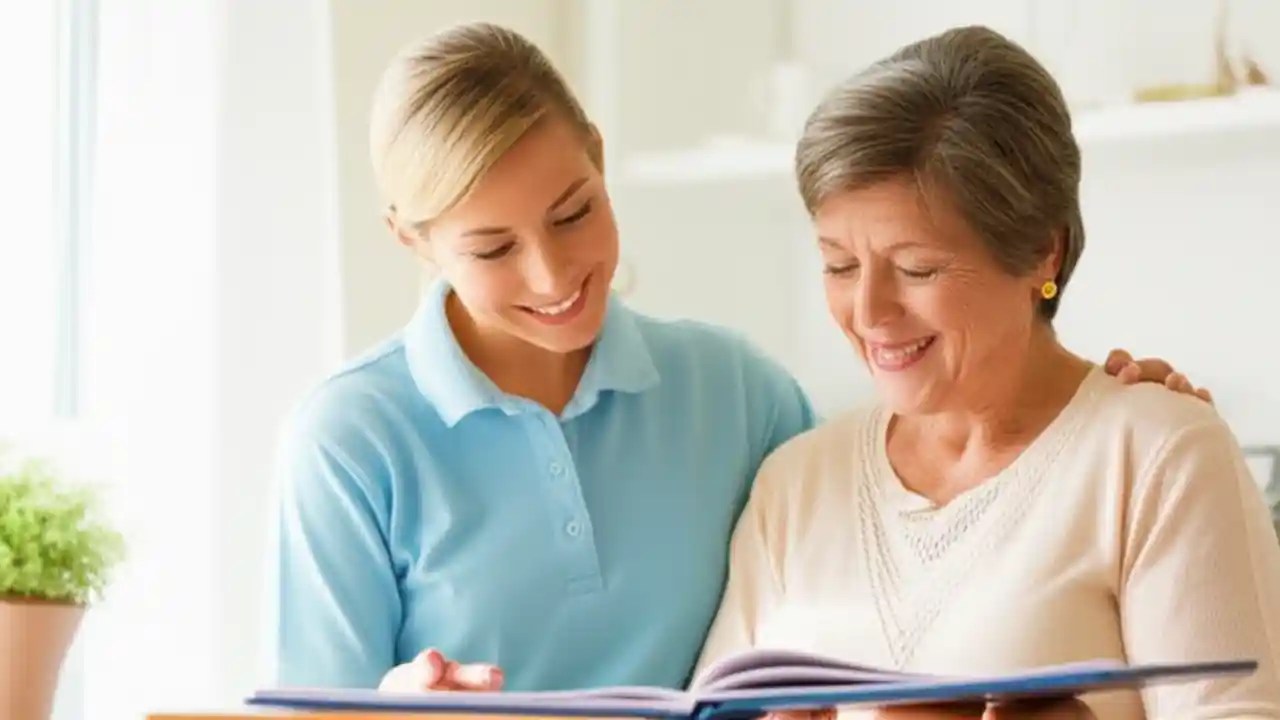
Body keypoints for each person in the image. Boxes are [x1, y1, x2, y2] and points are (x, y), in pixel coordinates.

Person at [264, 21, 1210, 695]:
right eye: (492, 248)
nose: (554, 274)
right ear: (411, 239)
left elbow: (902, 537)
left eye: (574, 212)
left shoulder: (734, 393)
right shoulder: (352, 440)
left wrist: (1115, 425)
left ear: (599, 156)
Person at [694, 25, 1280, 720]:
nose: (869, 311)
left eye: (917, 269)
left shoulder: (1158, 456)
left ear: (1042, 252)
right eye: (839, 265)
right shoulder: (796, 485)